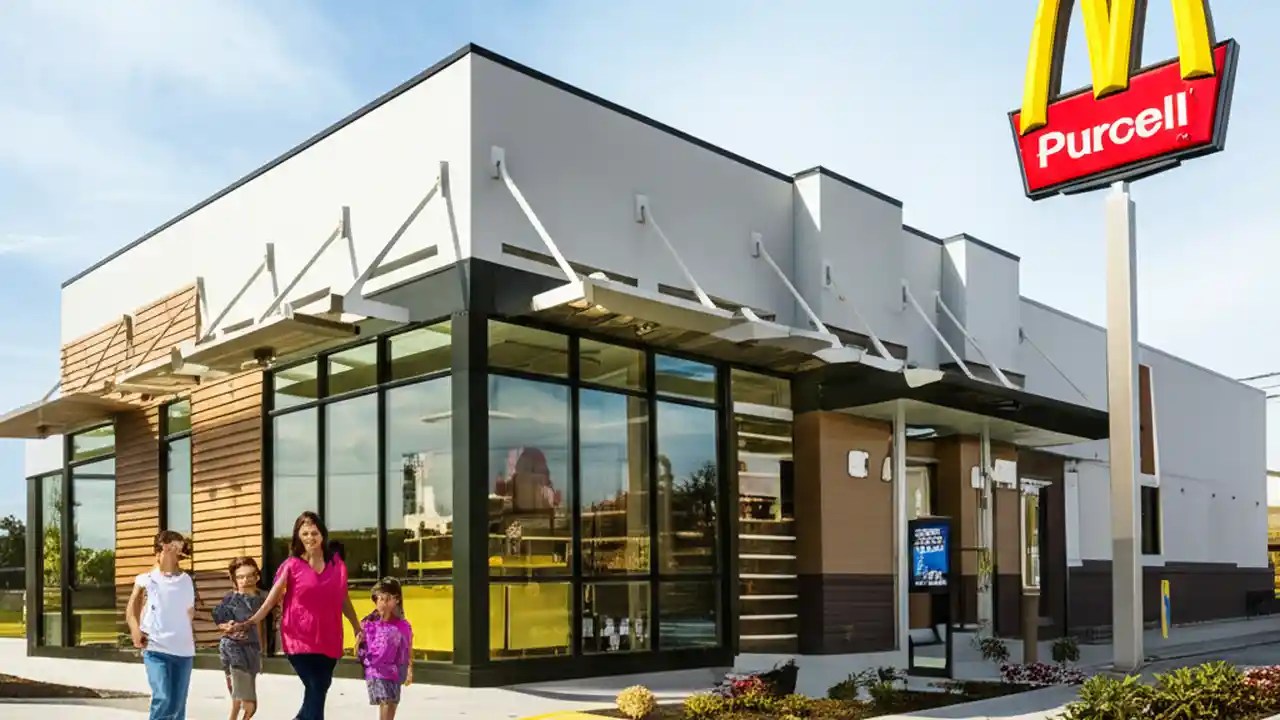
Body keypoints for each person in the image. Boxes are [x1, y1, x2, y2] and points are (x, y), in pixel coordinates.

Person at [234, 511, 362, 720]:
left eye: (314, 533)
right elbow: (272, 598)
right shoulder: (291, 565)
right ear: (298, 536)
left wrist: (356, 626)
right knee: (316, 684)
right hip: (298, 638)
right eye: (305, 534)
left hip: (329, 637)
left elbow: (343, 598)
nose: (310, 538)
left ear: (322, 534)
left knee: (319, 687)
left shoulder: (337, 565)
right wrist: (252, 620)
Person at [126, 530, 197, 720]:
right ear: (165, 547)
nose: (180, 549)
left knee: (177, 706)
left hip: (183, 651)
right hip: (155, 648)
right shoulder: (145, 579)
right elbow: (131, 610)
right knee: (163, 697)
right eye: (176, 545)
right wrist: (135, 630)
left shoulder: (186, 580)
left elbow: (189, 613)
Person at [213, 557, 265, 720]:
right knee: (247, 702)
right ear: (234, 579)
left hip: (253, 650)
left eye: (249, 576)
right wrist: (227, 626)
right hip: (233, 649)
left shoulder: (264, 598)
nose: (245, 580)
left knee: (240, 700)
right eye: (240, 577)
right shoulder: (230, 599)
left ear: (257, 576)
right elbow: (220, 620)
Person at [356, 578, 414, 720]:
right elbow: (358, 649)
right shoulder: (369, 624)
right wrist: (359, 642)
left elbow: (407, 648)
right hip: (377, 671)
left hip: (395, 671)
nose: (382, 603)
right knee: (386, 702)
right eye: (379, 599)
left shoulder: (402, 626)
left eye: (387, 599)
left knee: (391, 705)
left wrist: (409, 669)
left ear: (397, 600)